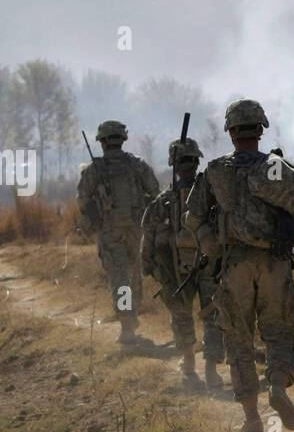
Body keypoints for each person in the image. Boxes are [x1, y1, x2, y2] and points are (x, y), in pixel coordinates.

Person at [186, 100, 294, 432]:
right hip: (274, 262)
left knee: (238, 338)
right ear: (261, 129)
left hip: (235, 264)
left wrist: (207, 240)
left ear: (230, 132)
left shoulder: (215, 171)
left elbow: (193, 216)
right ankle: (277, 385)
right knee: (280, 331)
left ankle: (252, 420)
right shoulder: (276, 167)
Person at [141, 137, 225, 388]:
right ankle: (211, 369)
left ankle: (189, 362)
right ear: (197, 162)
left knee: (181, 314)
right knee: (213, 315)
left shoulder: (161, 201)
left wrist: (148, 265)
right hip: (210, 266)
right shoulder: (214, 196)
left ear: (173, 165)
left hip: (176, 270)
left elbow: (148, 236)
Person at [77, 120, 160, 347]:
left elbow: (83, 200)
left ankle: (127, 325)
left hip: (110, 232)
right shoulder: (137, 165)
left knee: (120, 278)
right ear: (122, 140)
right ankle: (130, 321)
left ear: (102, 142)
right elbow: (156, 193)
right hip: (136, 229)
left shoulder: (95, 170)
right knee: (134, 276)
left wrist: (92, 217)